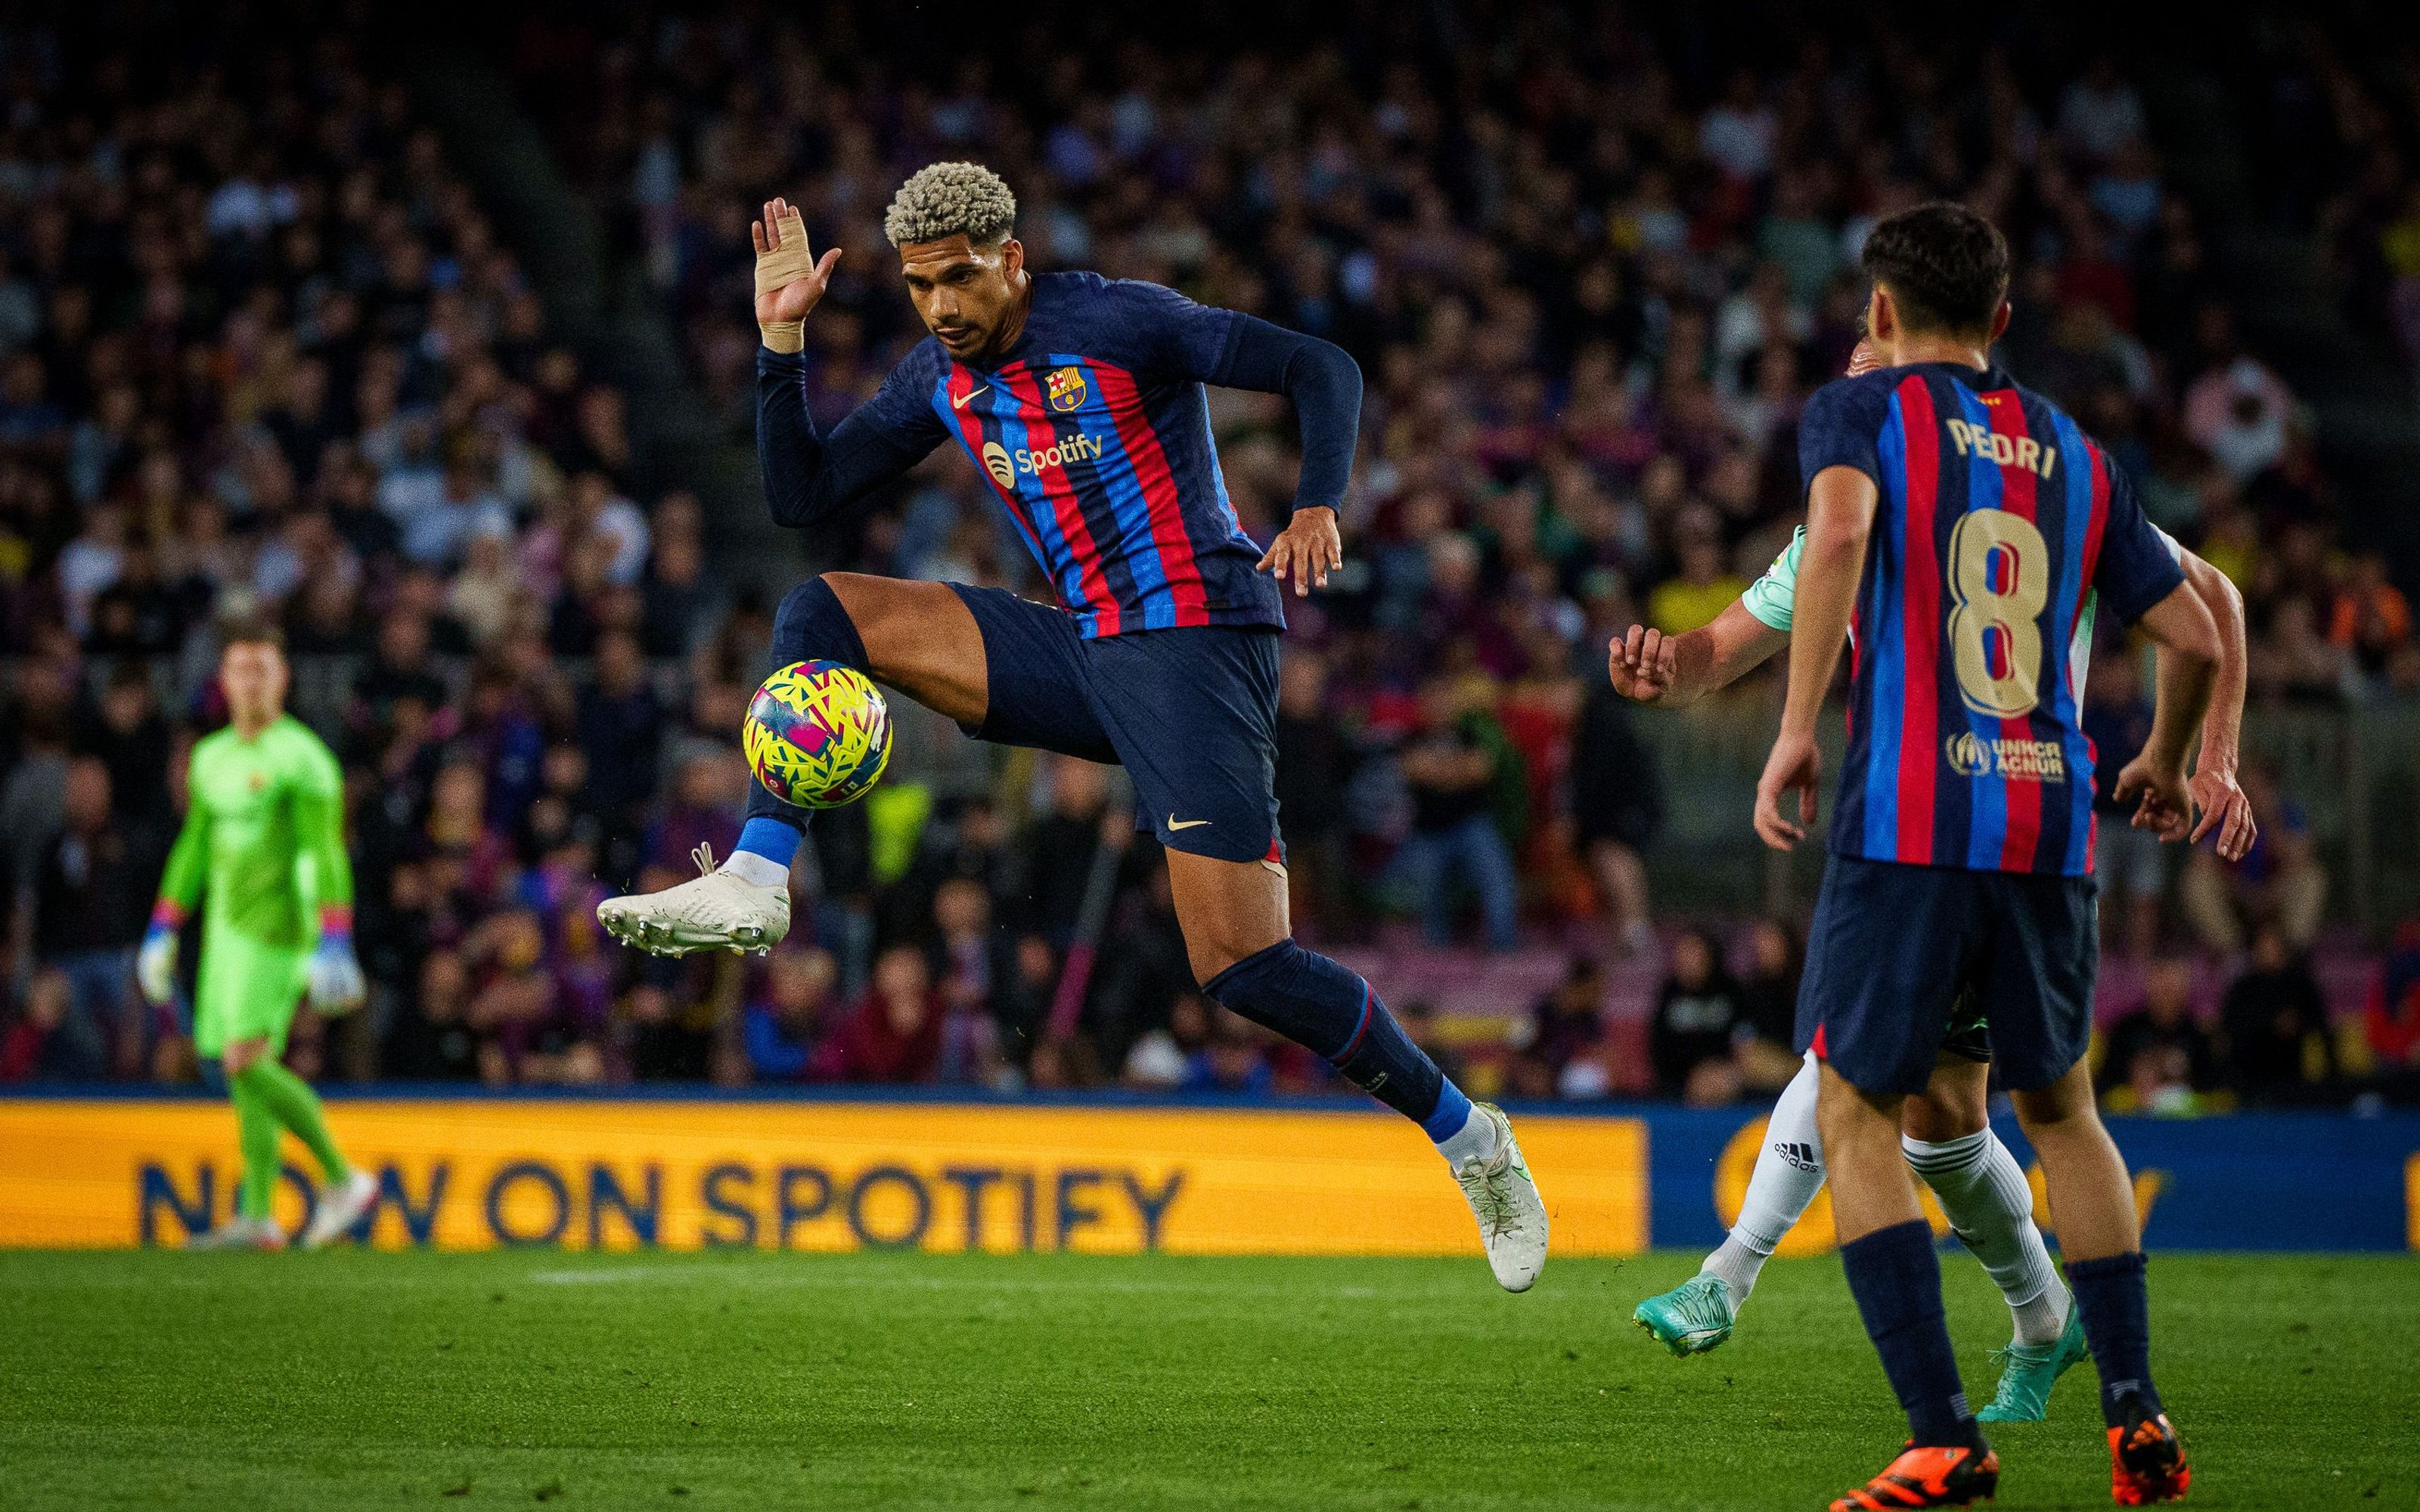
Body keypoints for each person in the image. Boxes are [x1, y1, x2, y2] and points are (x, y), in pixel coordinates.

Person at [595, 164, 1546, 1289]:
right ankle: (758, 874)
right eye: (917, 286)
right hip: (1085, 644)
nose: (941, 306)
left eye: (959, 278)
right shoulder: (937, 377)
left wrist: (1316, 502)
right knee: (822, 608)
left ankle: (1470, 1141)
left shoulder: (1117, 318)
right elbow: (802, 496)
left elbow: (1316, 364)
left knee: (1242, 964)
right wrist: (779, 346)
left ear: (1011, 261)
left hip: (1200, 642)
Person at [1614, 332, 2253, 1436]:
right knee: (1943, 1122)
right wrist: (1666, 665)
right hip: (1971, 828)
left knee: (1862, 1071)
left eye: (1883, 373)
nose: (1864, 393)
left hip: (1956, 826)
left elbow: (2214, 602)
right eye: (1859, 374)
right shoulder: (1843, 522)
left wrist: (2212, 760)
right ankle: (2051, 1325)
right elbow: (1721, 646)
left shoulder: (2031, 484)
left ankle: (1731, 1273)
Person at [1751, 203, 2219, 1506]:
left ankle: (1942, 1433)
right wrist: (2172, 765)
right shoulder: (2078, 450)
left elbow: (1838, 537)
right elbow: (2193, 636)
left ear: (1882, 315)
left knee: (1856, 1108)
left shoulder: (1858, 413)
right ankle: (2134, 1408)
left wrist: (1795, 731)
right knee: (2063, 1112)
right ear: (2005, 323)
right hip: (2046, 819)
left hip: (1907, 818)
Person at [137, 624, 376, 1250]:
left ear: (283, 678)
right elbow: (193, 846)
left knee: (244, 1056)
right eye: (240, 668)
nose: (251, 680)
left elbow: (326, 851)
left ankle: (342, 1176)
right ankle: (259, 1216)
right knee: (237, 1068)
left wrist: (334, 935)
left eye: (263, 668)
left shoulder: (302, 759)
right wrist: (164, 926)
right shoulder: (211, 758)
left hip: (278, 930)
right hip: (222, 935)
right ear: (222, 679)